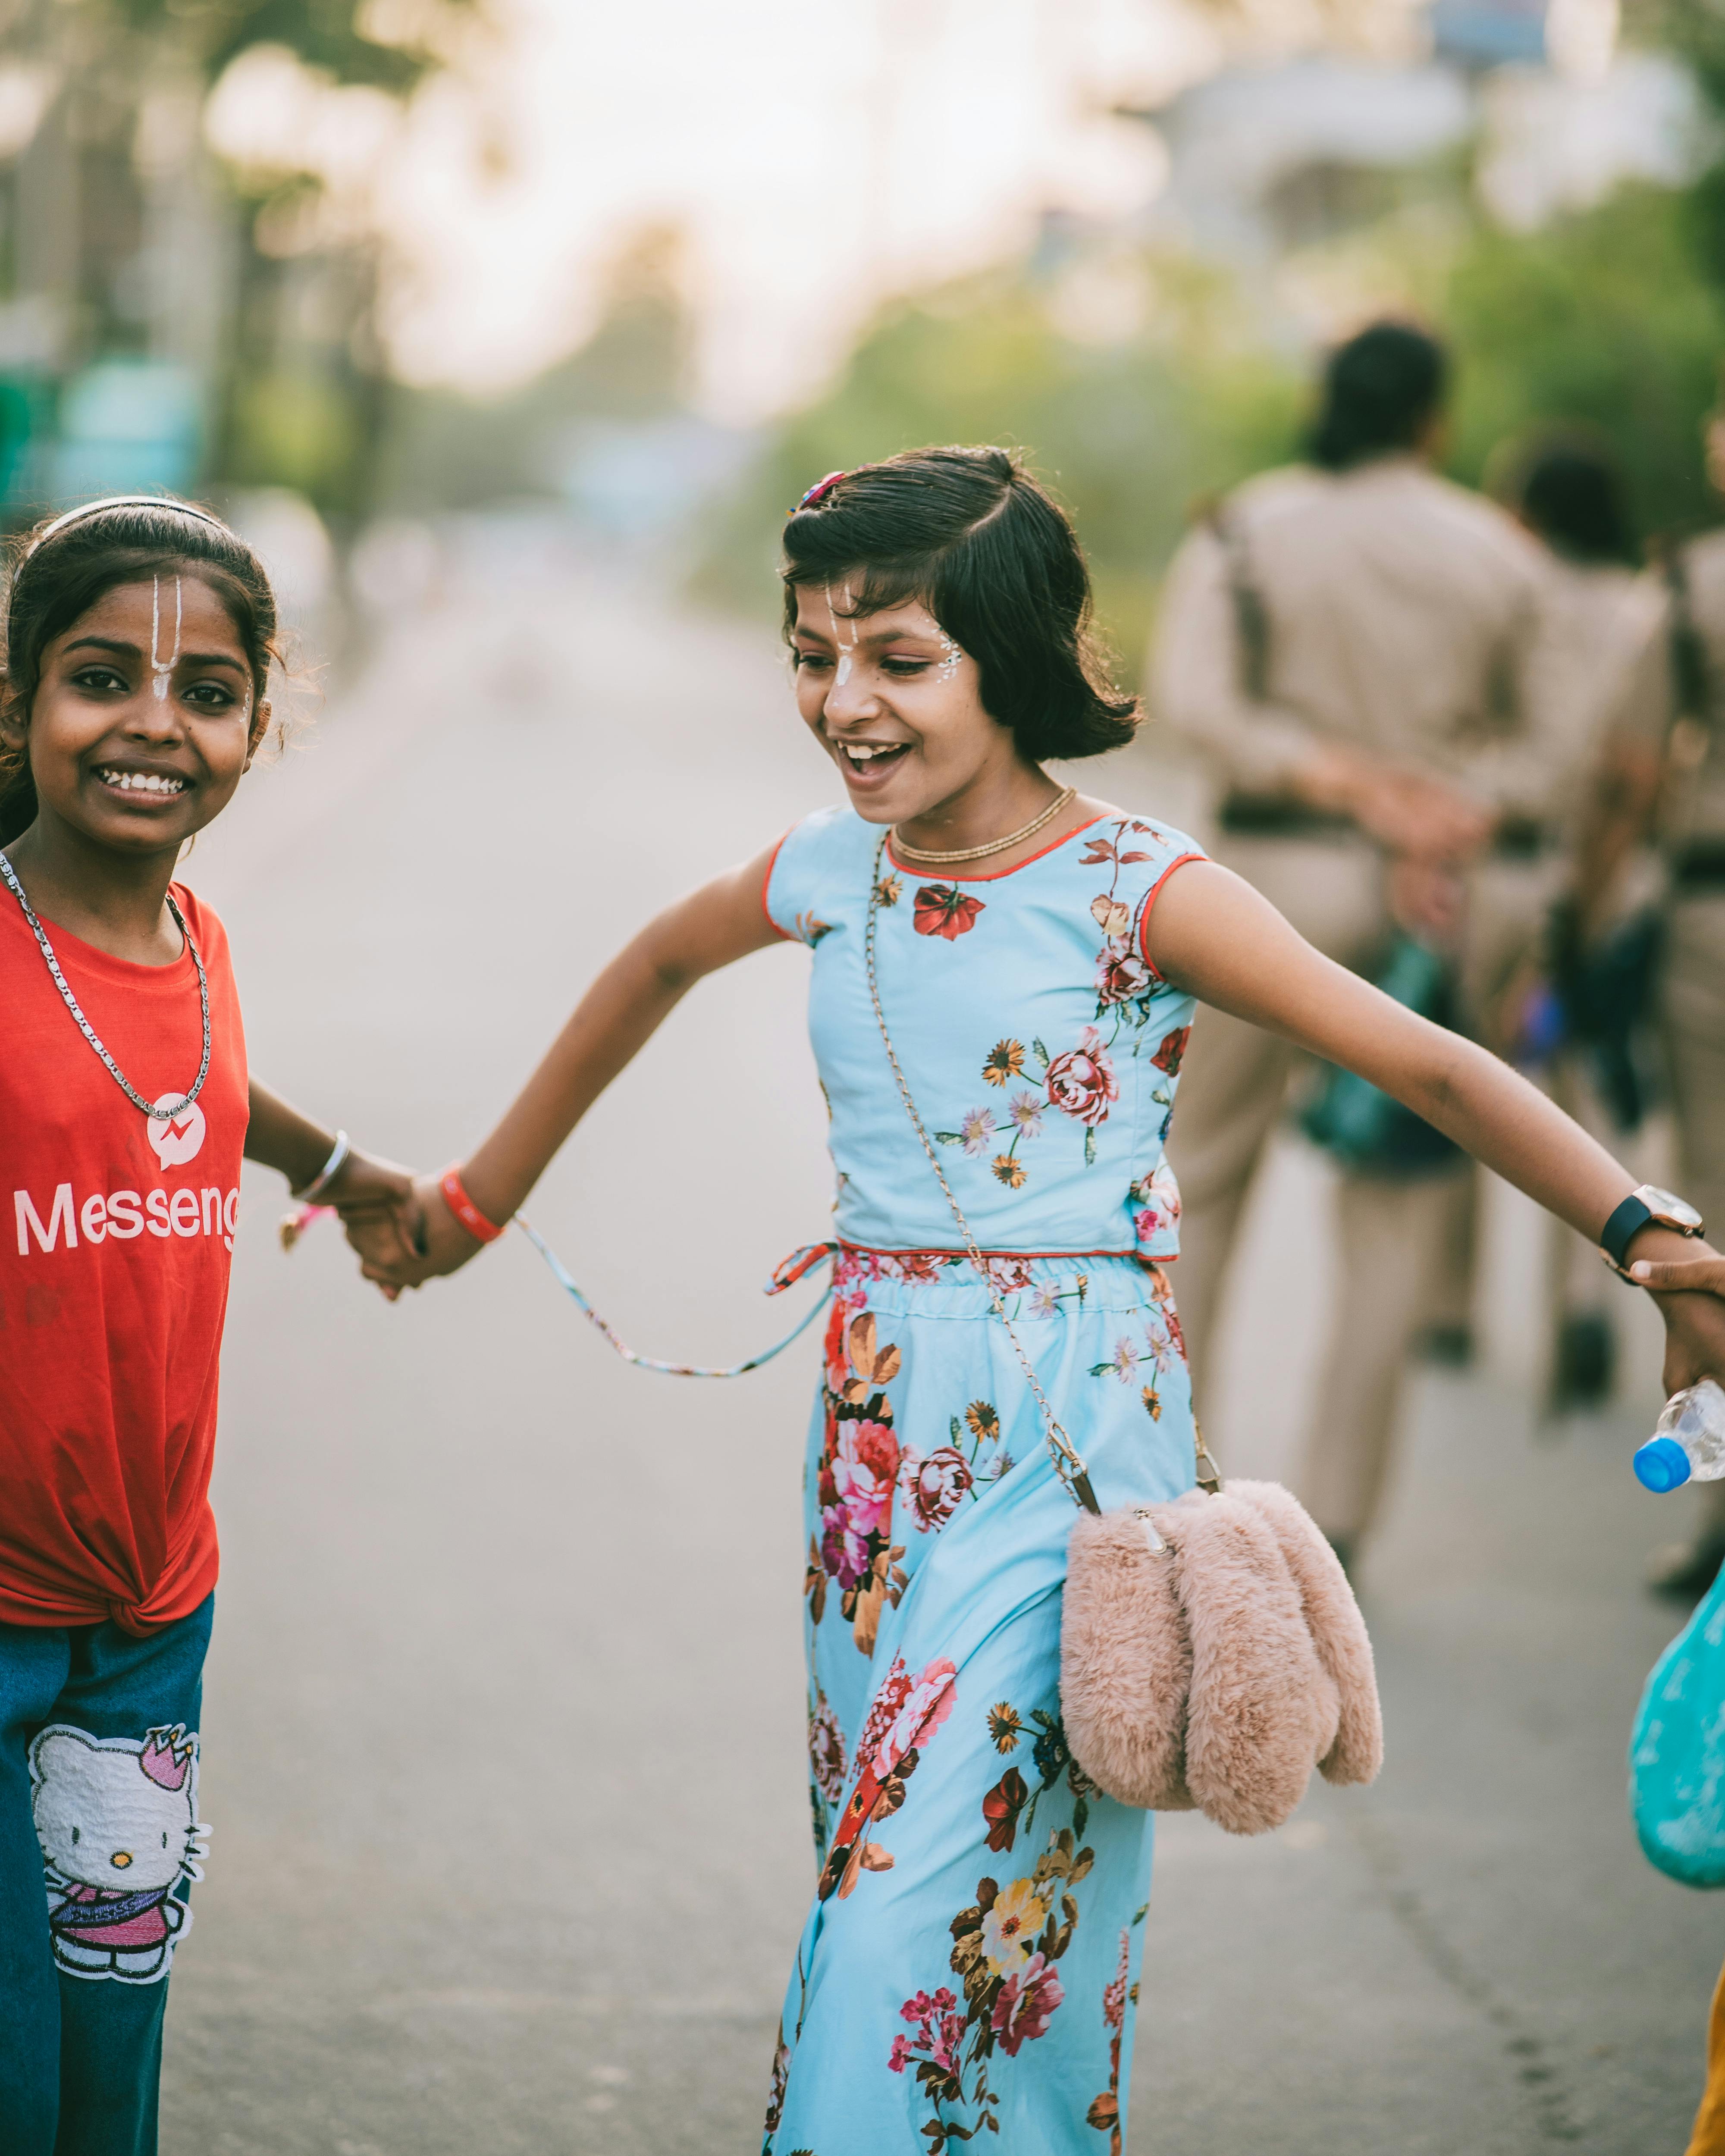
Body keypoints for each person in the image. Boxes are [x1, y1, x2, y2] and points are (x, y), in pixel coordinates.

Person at [346, 444, 1725, 2153]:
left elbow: (1429, 1063)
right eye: (812, 655)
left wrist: (1648, 1238)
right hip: (872, 1445)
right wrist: (473, 1203)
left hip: (1072, 1445)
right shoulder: (824, 869)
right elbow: (655, 961)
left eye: (898, 658)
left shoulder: (1141, 888)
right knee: (898, 1872)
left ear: (1008, 655)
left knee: (913, 1915)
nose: (843, 702)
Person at [0, 497, 417, 2154]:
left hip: (153, 1611)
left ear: (259, 725)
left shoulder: (197, 940)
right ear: (22, 698)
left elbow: (196, 1092)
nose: (158, 723)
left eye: (210, 692)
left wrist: (343, 1170)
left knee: (109, 2057)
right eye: (104, 679)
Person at [1150, 318, 1559, 1570]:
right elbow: (1554, 750)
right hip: (1429, 903)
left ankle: (1167, 1481)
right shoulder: (1500, 553)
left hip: (1253, 888)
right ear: (1435, 419)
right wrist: (1437, 808)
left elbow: (1195, 699)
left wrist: (1333, 777)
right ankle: (1336, 1518)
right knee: (1394, 1202)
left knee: (1198, 1176)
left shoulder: (1245, 527)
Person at [1571, 397, 1725, 1596]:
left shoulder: (1690, 584)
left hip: (1713, 920)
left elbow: (1628, 769)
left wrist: (1580, 914)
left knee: (1717, 1190)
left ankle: (1720, 1511)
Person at [1491, 429, 1665, 1409]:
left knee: (1511, 1089)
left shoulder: (1525, 596)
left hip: (1543, 862)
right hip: (1639, 871)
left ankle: (1497, 1299)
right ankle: (1588, 1300)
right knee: (1596, 1092)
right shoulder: (1645, 600)